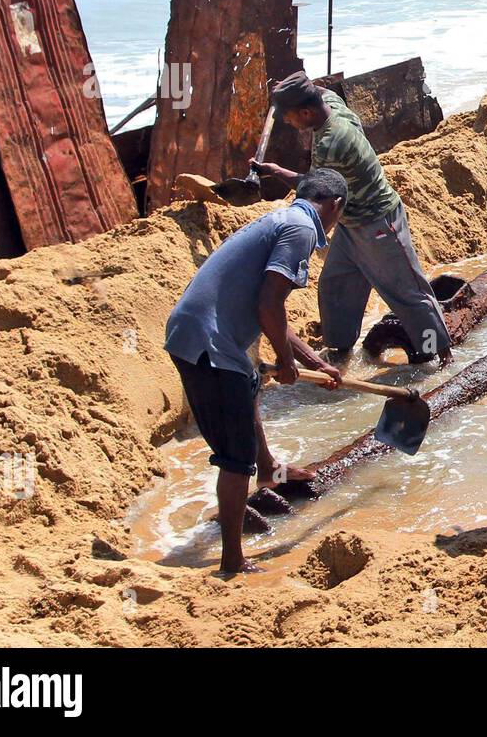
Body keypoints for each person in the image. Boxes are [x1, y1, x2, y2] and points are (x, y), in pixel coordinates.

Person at [165, 169, 348, 575]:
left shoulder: (284, 219)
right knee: (235, 456)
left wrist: (313, 362)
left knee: (248, 394)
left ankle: (269, 472)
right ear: (334, 206)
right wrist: (285, 362)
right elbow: (269, 306)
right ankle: (232, 560)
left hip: (203, 332)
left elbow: (269, 311)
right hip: (210, 344)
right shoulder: (302, 229)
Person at [253, 72, 452, 366]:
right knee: (336, 286)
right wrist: (284, 92)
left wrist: (275, 171)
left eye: (290, 116)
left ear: (307, 112)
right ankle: (340, 351)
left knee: (407, 293)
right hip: (350, 222)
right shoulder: (331, 102)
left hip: (377, 223)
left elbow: (316, 189)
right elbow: (317, 89)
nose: (287, 122)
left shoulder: (331, 144)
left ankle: (439, 354)